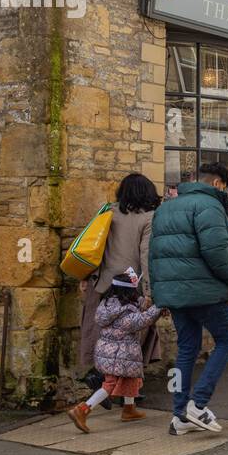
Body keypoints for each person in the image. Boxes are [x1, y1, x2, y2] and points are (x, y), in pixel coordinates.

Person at [150, 161, 228, 435]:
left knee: (186, 350)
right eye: (225, 188)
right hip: (208, 292)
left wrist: (160, 293)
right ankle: (198, 404)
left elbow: (154, 254)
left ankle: (180, 415)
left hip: (176, 294)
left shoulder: (165, 207)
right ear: (218, 183)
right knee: (227, 340)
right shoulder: (210, 206)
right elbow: (217, 253)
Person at [79, 173, 162, 407]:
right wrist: (149, 292)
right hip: (130, 288)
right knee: (132, 340)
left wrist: (85, 276)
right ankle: (118, 387)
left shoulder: (109, 212)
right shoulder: (149, 218)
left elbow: (92, 245)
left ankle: (113, 385)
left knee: (100, 335)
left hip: (103, 284)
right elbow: (147, 257)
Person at [68, 268, 162, 433]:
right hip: (119, 355)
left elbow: (137, 303)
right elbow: (142, 320)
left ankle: (129, 409)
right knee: (109, 385)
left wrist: (147, 302)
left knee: (131, 378)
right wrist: (159, 307)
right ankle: (82, 410)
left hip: (108, 353)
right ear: (129, 292)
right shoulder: (125, 313)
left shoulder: (109, 304)